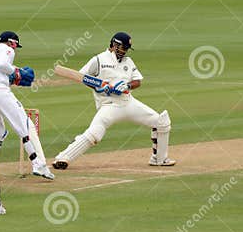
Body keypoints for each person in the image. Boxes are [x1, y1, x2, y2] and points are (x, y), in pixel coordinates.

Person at [52, 32, 176, 170]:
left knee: (161, 122)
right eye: (123, 48)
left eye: (127, 49)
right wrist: (100, 86)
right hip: (109, 105)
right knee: (95, 134)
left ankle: (159, 159)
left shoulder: (128, 62)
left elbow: (137, 81)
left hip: (128, 102)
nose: (125, 51)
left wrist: (127, 86)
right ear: (114, 45)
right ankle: (63, 158)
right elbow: (82, 77)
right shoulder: (98, 60)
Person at [0, 31, 54, 180]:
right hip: (0, 93)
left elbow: (0, 71)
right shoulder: (7, 50)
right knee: (24, 126)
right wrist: (16, 72)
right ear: (12, 43)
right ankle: (38, 164)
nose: (15, 49)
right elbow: (3, 65)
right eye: (15, 46)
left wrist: (14, 77)